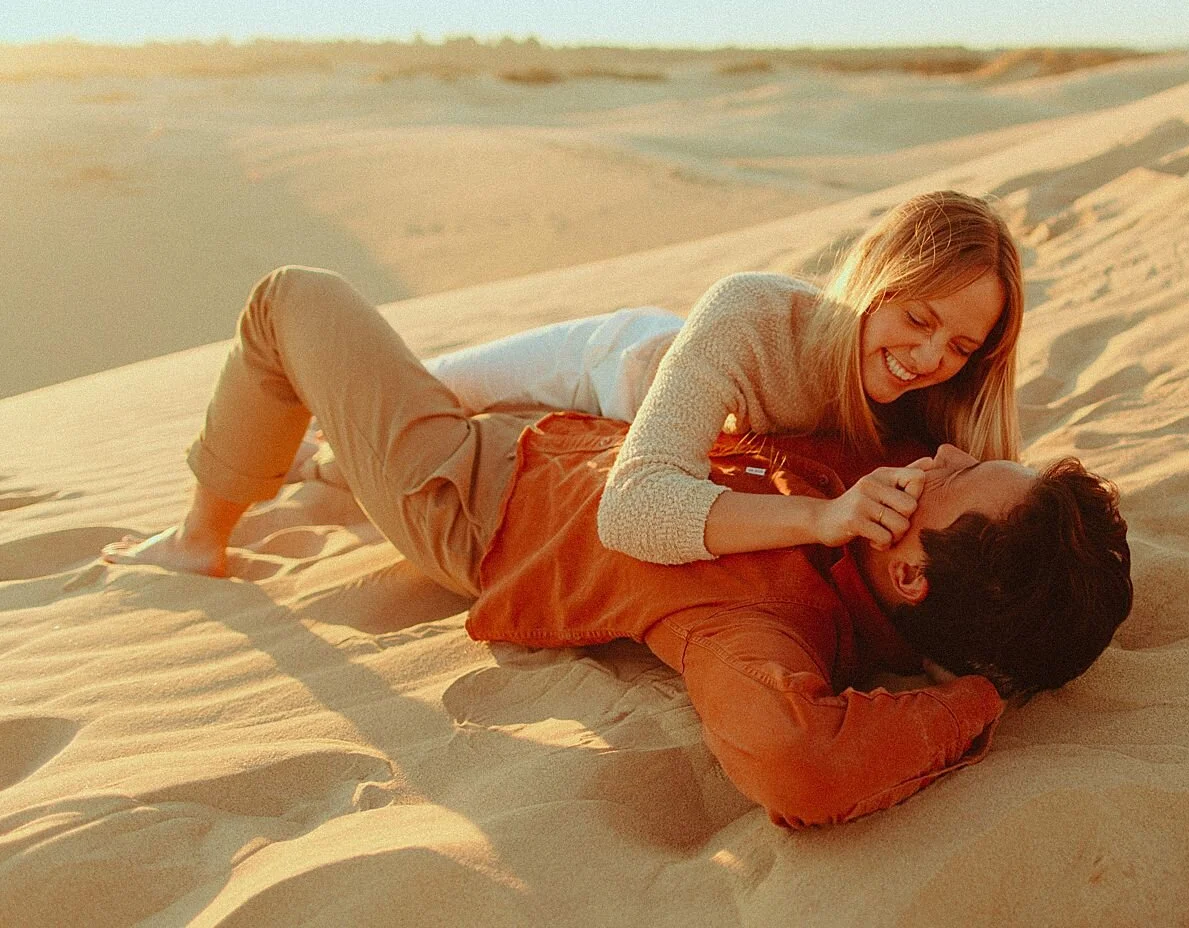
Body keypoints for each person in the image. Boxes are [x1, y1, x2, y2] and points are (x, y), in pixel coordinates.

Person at [100, 265, 1132, 827]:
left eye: (955, 479)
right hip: (563, 432)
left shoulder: (761, 624)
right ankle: (322, 470)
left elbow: (796, 766)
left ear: (909, 572)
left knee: (290, 303)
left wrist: (978, 701)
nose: (944, 452)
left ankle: (203, 537)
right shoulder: (886, 495)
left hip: (465, 495)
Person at [306, 189, 1025, 566]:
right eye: (920, 321)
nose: (931, 360)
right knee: (425, 395)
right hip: (614, 364)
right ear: (874, 282)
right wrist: (816, 519)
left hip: (650, 407)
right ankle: (317, 466)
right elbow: (633, 510)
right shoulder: (755, 313)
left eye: (961, 345)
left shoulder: (942, 402)